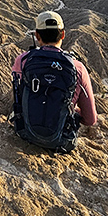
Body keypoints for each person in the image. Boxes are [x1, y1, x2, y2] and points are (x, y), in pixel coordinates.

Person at [11, 11, 97, 149]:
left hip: (25, 132)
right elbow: (90, 119)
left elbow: (19, 97)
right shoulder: (78, 68)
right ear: (63, 34)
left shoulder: (23, 61)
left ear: (37, 35)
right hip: (62, 141)